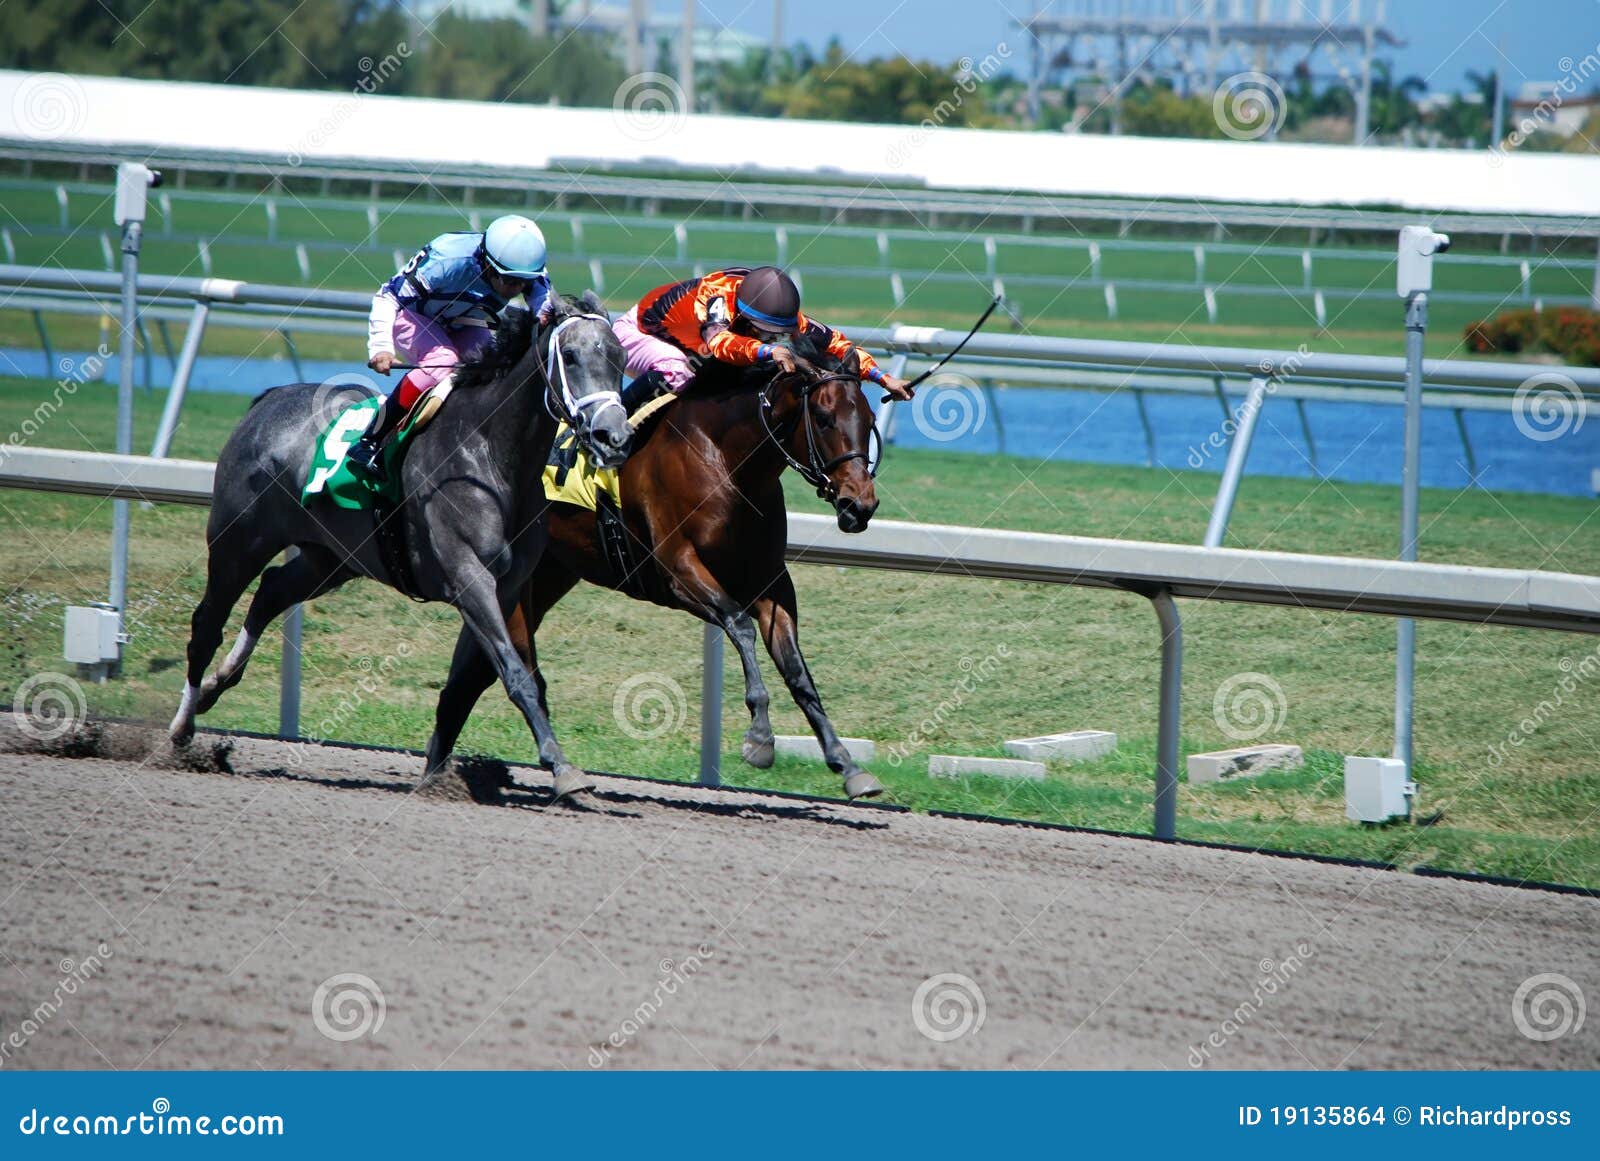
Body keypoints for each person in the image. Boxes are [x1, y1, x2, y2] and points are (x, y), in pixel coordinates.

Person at [346, 214, 554, 482]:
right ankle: (370, 439)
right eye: (510, 281)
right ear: (487, 265)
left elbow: (545, 312)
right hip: (413, 314)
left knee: (497, 367)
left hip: (464, 318)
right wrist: (381, 347)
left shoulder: (528, 269)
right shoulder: (447, 261)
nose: (517, 289)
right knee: (443, 360)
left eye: (523, 283)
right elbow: (388, 296)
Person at [612, 265, 913, 412]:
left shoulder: (788, 317)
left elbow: (838, 344)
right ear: (743, 313)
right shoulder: (717, 295)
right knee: (678, 369)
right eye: (762, 329)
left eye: (775, 332)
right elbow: (718, 344)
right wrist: (767, 352)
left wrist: (884, 378)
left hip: (693, 347)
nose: (771, 337)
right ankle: (611, 425)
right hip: (640, 333)